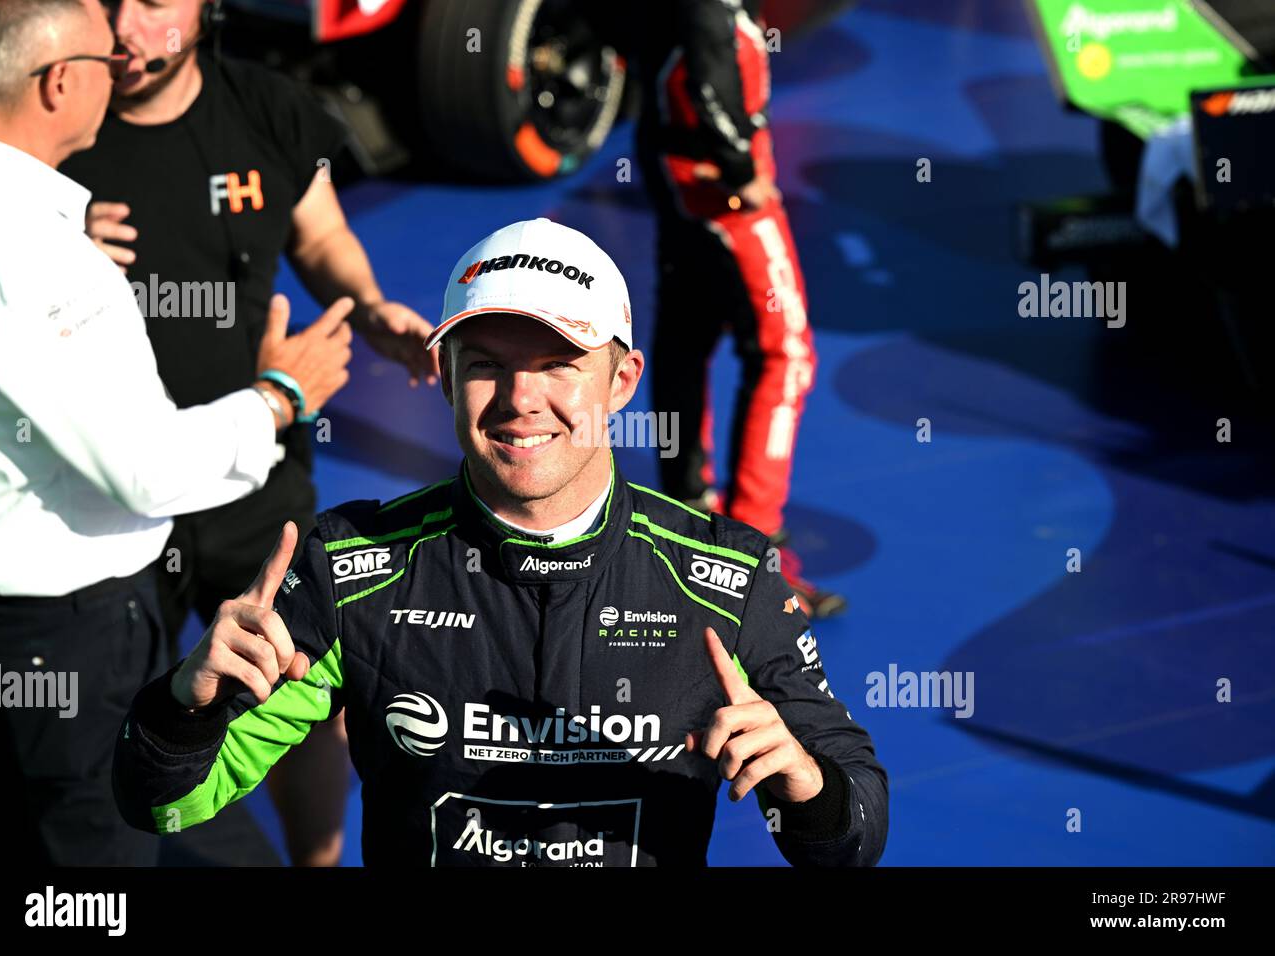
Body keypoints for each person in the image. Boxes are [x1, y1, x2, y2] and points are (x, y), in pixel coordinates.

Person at [113, 218, 887, 866]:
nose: (521, 400)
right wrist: (186, 706)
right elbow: (166, 808)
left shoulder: (729, 574)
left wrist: (806, 788)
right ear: (444, 376)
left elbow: (852, 841)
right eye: (486, 365)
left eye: (558, 365)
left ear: (621, 383)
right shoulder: (351, 568)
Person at [60, 0, 438, 866]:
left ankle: (315, 864)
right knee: (111, 706)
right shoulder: (55, 118)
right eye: (108, 1)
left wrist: (373, 307)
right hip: (106, 488)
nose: (123, 28)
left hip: (255, 470)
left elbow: (324, 233)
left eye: (154, 4)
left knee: (290, 688)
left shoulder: (271, 110)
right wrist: (48, 236)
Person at [0, 0, 350, 865]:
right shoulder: (45, 258)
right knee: (90, 866)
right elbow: (145, 470)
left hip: (9, 630)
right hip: (67, 641)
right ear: (59, 83)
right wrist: (281, 394)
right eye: (104, 64)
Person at [634, 0, 844, 618]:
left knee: (685, 338)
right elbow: (707, 66)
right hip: (722, 194)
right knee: (787, 354)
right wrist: (740, 168)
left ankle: (689, 530)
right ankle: (754, 558)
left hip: (679, 178)